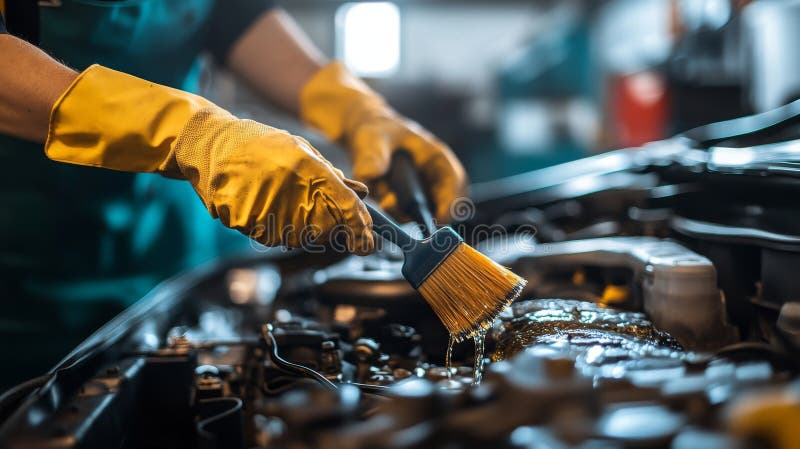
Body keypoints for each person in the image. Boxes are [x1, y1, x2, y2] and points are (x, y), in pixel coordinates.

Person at [0, 1, 466, 390]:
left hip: (175, 245)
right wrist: (191, 136)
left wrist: (356, 109)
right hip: (27, 280)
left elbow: (230, 15)